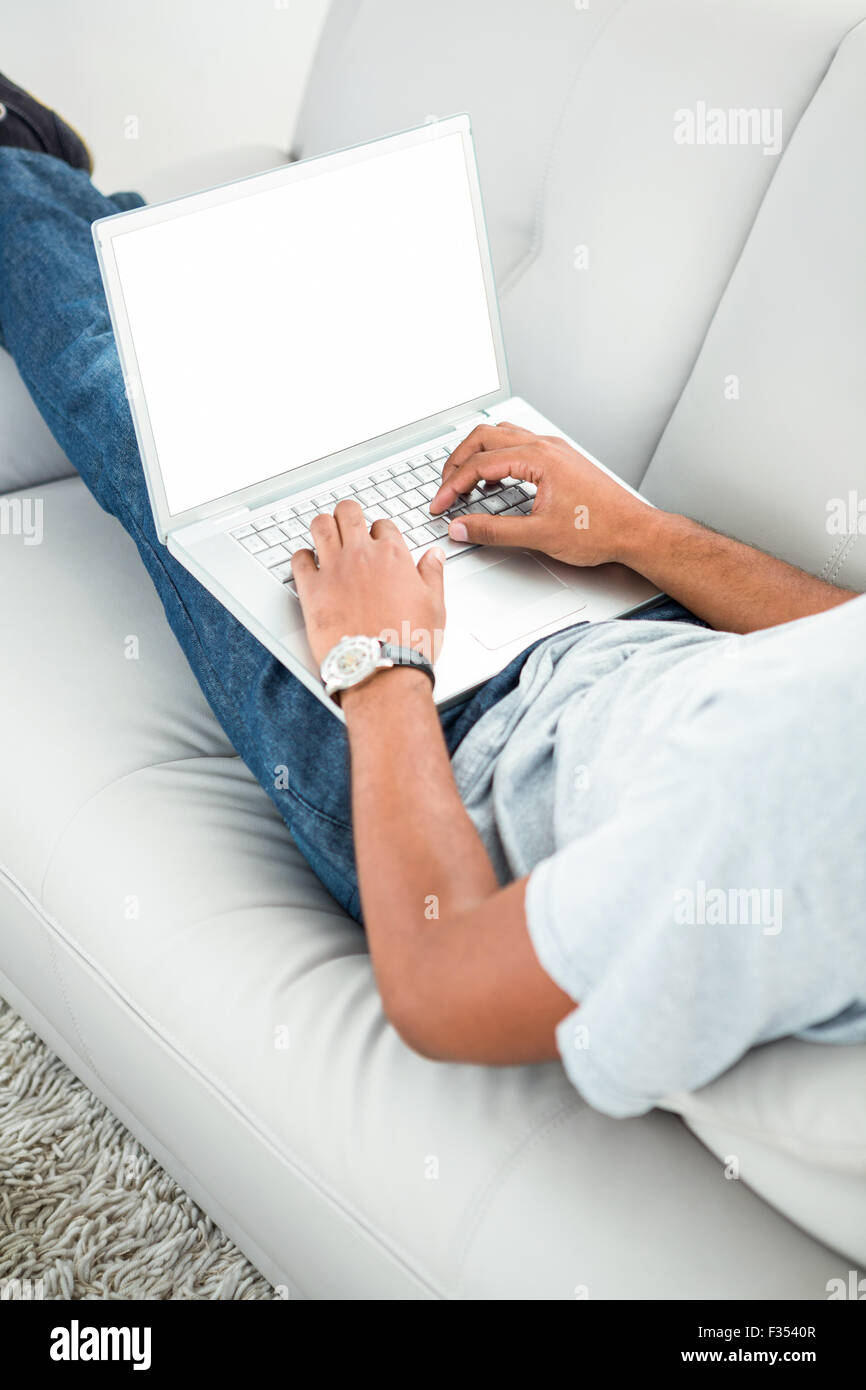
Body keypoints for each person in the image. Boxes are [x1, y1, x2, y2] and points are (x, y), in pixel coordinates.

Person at [1, 77, 864, 1118]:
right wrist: (633, 530)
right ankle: (66, 193)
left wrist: (378, 662)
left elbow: (442, 986)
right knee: (326, 393)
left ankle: (27, 175)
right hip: (632, 626)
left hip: (451, 741)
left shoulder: (785, 829)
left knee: (138, 406)